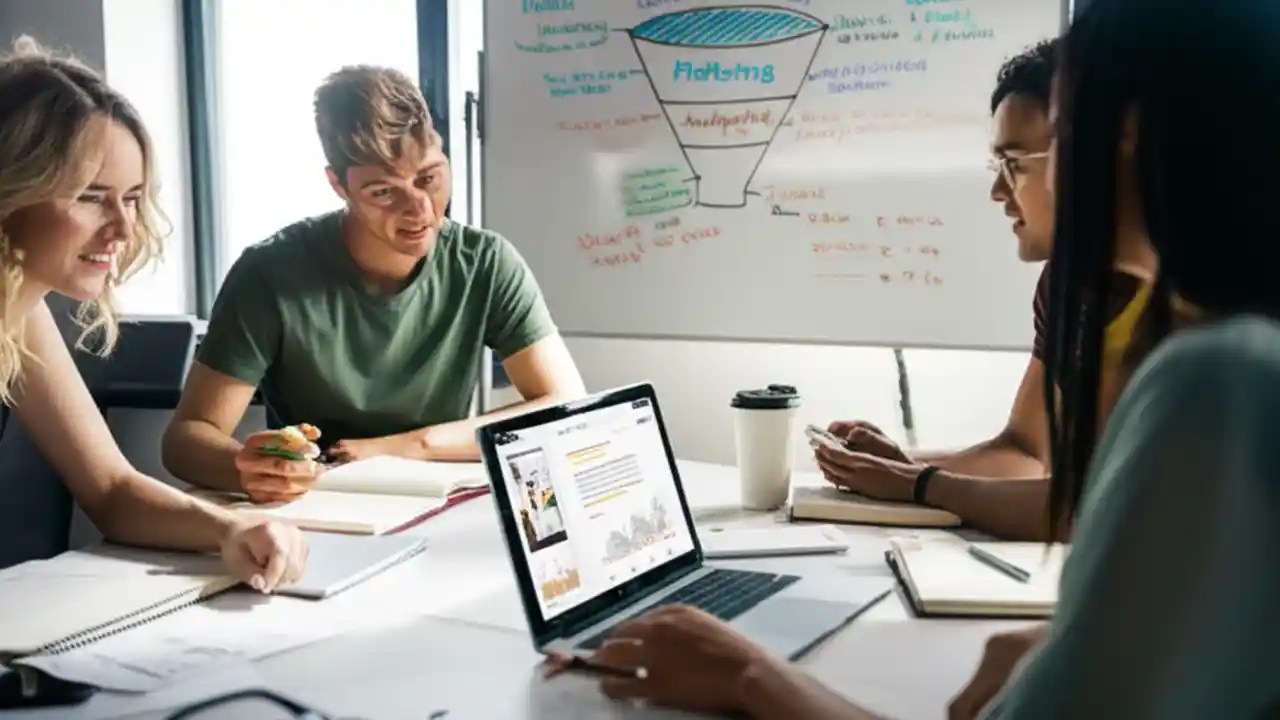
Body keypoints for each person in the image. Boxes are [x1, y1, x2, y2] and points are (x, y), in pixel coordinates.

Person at [560, 0, 1280, 716]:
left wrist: (749, 674)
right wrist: (1067, 644)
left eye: (1053, 135)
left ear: (1123, 133)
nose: (1006, 185)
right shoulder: (1238, 354)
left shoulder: (1217, 383)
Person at [162, 65, 586, 503]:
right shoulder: (269, 272)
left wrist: (403, 447)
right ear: (338, 185)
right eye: (384, 192)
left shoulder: (486, 263)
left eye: (429, 178)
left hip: (436, 496)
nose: (419, 210)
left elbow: (563, 403)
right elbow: (187, 440)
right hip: (313, 505)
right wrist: (249, 471)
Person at [813, 38, 1156, 542]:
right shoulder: (1065, 285)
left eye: (1015, 163)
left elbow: (1091, 506)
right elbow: (1025, 452)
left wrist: (919, 482)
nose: (998, 191)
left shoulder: (1192, 313)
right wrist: (905, 467)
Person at [0, 38, 307, 591]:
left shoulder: (22, 312)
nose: (123, 227)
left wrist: (232, 528)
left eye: (134, 197)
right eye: (91, 196)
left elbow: (113, 490)